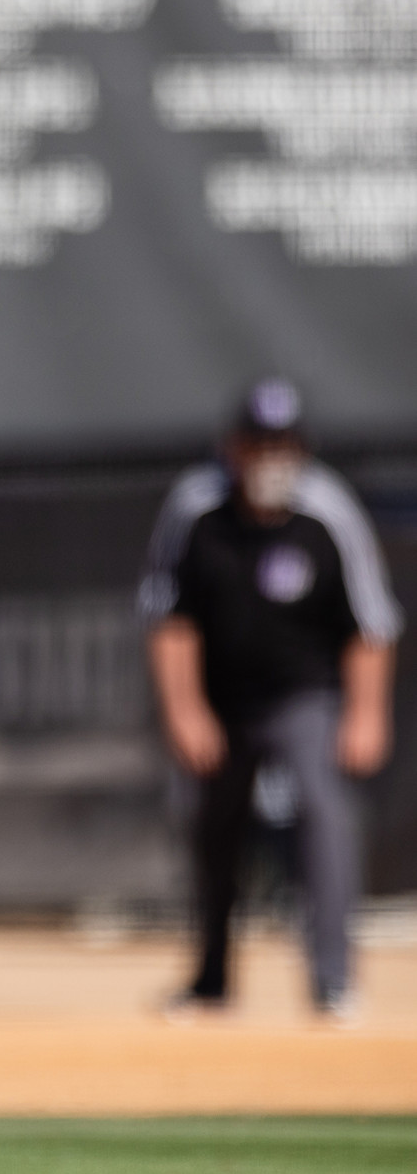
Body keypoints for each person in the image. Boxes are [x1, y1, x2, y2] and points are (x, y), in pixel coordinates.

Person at [140, 377, 402, 1022]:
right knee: (212, 830)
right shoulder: (197, 509)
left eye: (283, 445)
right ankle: (210, 982)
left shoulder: (327, 512)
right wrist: (185, 709)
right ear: (232, 447)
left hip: (303, 695)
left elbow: (370, 625)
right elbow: (170, 619)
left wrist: (367, 714)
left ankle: (333, 982)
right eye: (258, 445)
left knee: (324, 812)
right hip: (222, 699)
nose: (270, 460)